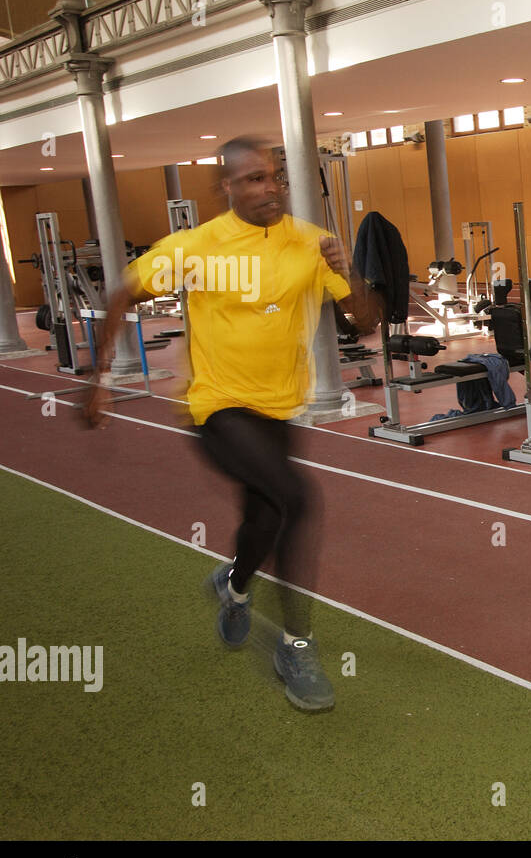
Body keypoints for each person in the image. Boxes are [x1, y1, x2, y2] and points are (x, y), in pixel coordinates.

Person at [85, 137, 381, 712]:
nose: (268, 187)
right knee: (300, 497)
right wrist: (97, 379)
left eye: (274, 177)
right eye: (252, 179)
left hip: (279, 410)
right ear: (227, 187)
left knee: (263, 522)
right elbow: (122, 291)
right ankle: (296, 645)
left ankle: (235, 587)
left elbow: (364, 321)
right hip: (216, 407)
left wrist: (349, 275)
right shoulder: (196, 247)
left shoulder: (307, 241)